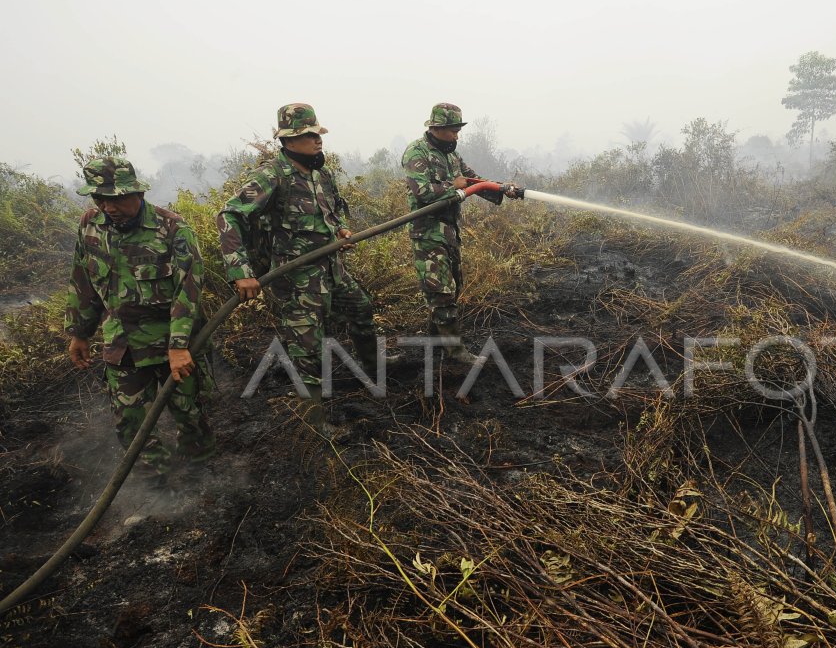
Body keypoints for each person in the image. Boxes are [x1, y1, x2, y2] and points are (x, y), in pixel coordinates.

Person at [218, 103, 385, 438]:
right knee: (308, 347)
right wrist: (241, 271)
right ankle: (316, 423)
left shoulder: (321, 174)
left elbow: (332, 213)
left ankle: (373, 373)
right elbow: (229, 215)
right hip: (294, 279)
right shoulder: (271, 176)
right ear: (288, 141)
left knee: (362, 309)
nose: (316, 141)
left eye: (317, 134)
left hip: (331, 269)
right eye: (307, 136)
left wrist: (339, 231)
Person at [65, 157, 215, 475]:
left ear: (138, 193)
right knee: (129, 420)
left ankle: (201, 479)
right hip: (122, 344)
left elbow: (188, 292)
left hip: (173, 341)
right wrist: (79, 332)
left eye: (117, 197)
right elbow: (83, 280)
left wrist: (178, 346)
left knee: (188, 413)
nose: (110, 206)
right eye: (101, 198)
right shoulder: (90, 225)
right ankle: (155, 481)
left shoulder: (173, 228)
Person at [402, 103, 520, 363]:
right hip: (427, 233)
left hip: (449, 232)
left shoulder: (451, 155)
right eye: (452, 130)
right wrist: (451, 186)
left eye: (458, 130)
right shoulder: (416, 152)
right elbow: (422, 192)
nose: (457, 135)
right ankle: (456, 353)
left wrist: (502, 188)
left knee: (452, 290)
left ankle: (433, 348)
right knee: (441, 292)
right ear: (436, 128)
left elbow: (473, 181)